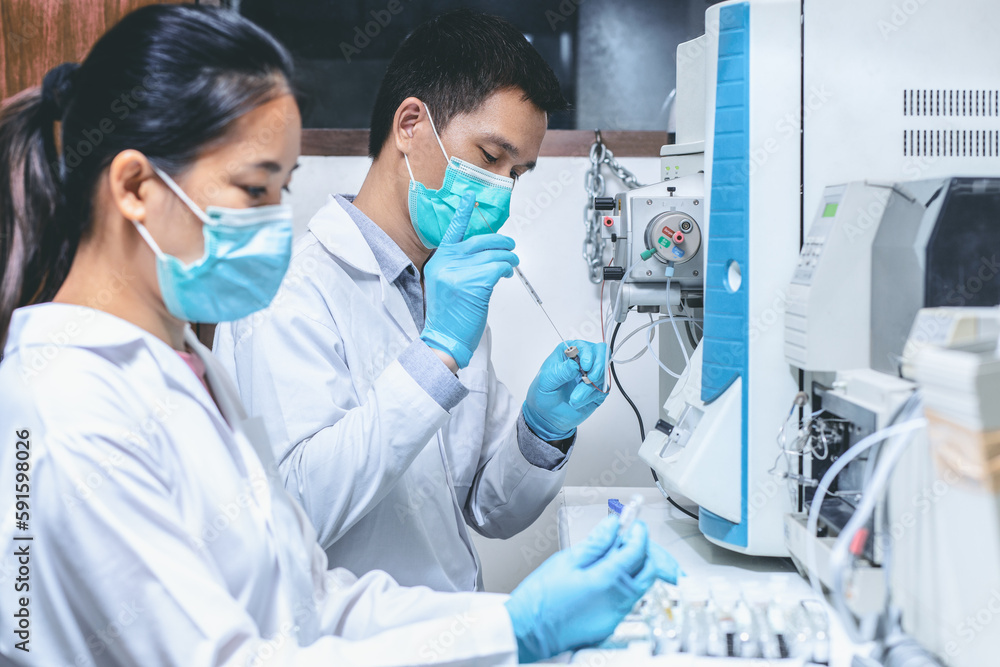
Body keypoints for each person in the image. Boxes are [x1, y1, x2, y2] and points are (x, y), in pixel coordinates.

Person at [0, 5, 682, 665]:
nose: (272, 219)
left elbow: (304, 591)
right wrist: (436, 354)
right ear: (135, 187)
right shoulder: (67, 413)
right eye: (254, 188)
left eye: (283, 187)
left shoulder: (183, 369)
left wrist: (513, 615)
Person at [213, 9, 610, 594]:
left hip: (451, 633)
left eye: (518, 172)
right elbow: (295, 510)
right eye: (489, 156)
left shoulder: (448, 291)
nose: (502, 189)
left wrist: (541, 430)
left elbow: (487, 509)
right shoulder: (289, 293)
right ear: (410, 124)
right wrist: (436, 355)